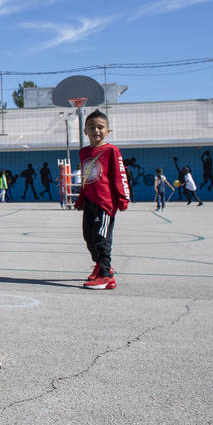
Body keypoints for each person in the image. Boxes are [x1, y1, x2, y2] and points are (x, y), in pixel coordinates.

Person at [75, 110, 129, 290]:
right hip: (90, 200)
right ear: (85, 131)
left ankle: (106, 276)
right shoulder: (84, 152)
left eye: (100, 127)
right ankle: (100, 265)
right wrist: (81, 198)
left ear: (108, 131)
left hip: (105, 202)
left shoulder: (111, 150)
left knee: (101, 237)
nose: (96, 130)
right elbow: (86, 178)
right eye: (91, 127)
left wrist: (123, 197)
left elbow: (119, 174)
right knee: (88, 237)